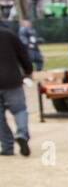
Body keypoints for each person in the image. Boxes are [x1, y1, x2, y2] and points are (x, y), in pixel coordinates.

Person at [0, 24, 33, 157]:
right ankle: (22, 134)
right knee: (19, 110)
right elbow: (23, 54)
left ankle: (7, 146)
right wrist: (28, 70)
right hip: (12, 79)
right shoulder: (9, 34)